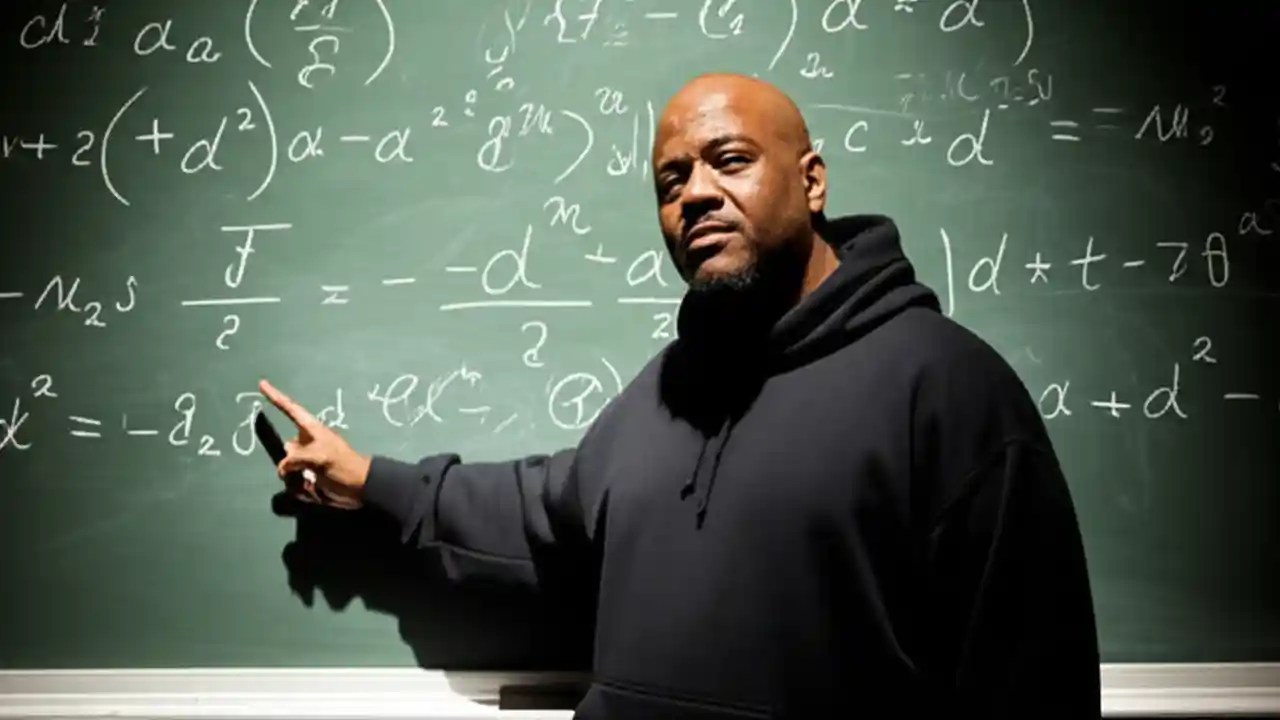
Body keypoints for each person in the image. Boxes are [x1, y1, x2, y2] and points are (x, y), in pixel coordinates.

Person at [258, 72, 1101, 718]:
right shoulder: (666, 391)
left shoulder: (949, 391)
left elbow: (1032, 683)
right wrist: (370, 480)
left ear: (812, 182)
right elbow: (540, 511)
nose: (695, 193)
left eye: (730, 161)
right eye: (671, 181)